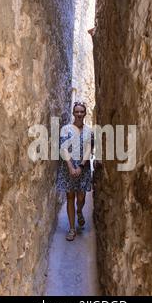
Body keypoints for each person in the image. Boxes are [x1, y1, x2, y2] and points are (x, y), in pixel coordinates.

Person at [56, 102, 94, 241]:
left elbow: (89, 149)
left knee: (81, 197)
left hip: (82, 168)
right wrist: (71, 167)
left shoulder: (89, 131)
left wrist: (81, 166)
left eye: (81, 112)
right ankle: (72, 229)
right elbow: (63, 148)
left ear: (85, 113)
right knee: (70, 197)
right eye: (76, 111)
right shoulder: (66, 129)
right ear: (73, 113)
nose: (79, 114)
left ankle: (79, 211)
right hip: (68, 168)